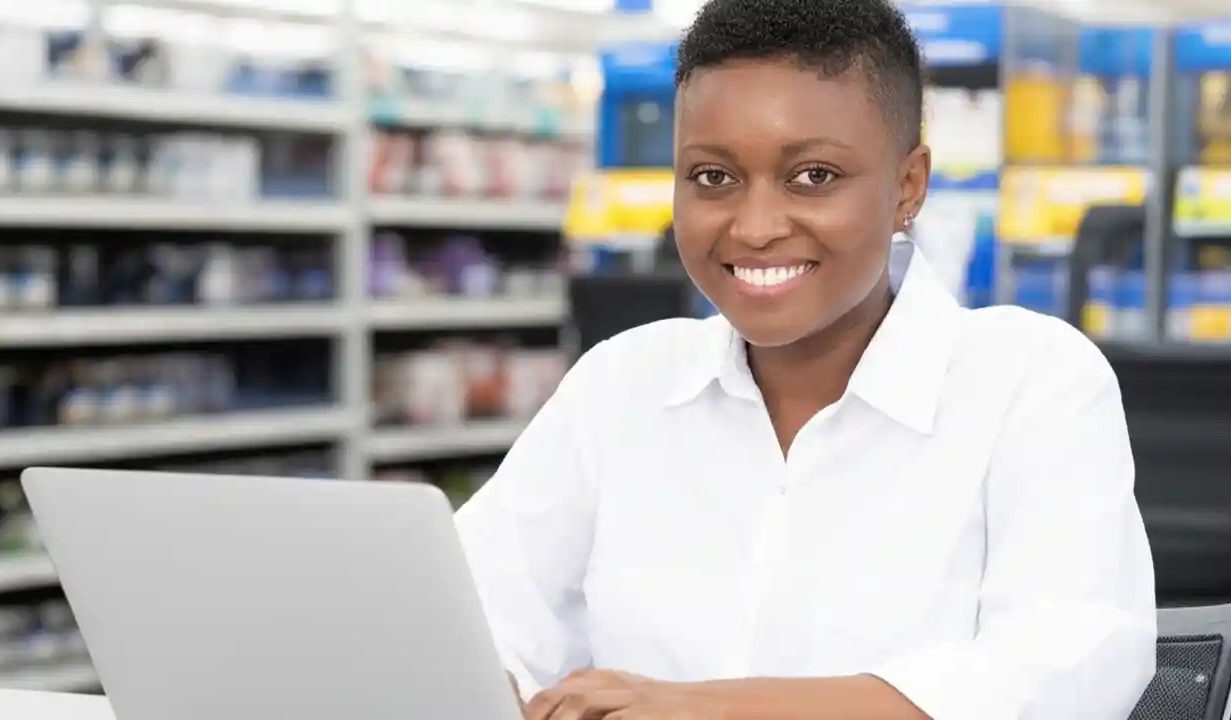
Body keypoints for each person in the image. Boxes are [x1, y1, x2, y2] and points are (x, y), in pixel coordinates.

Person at [456, 0, 1156, 717]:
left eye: (814, 176)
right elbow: (469, 617)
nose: (755, 227)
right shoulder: (619, 386)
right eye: (712, 177)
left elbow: (1063, 670)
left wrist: (708, 710)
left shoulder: (1030, 380)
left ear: (907, 187)